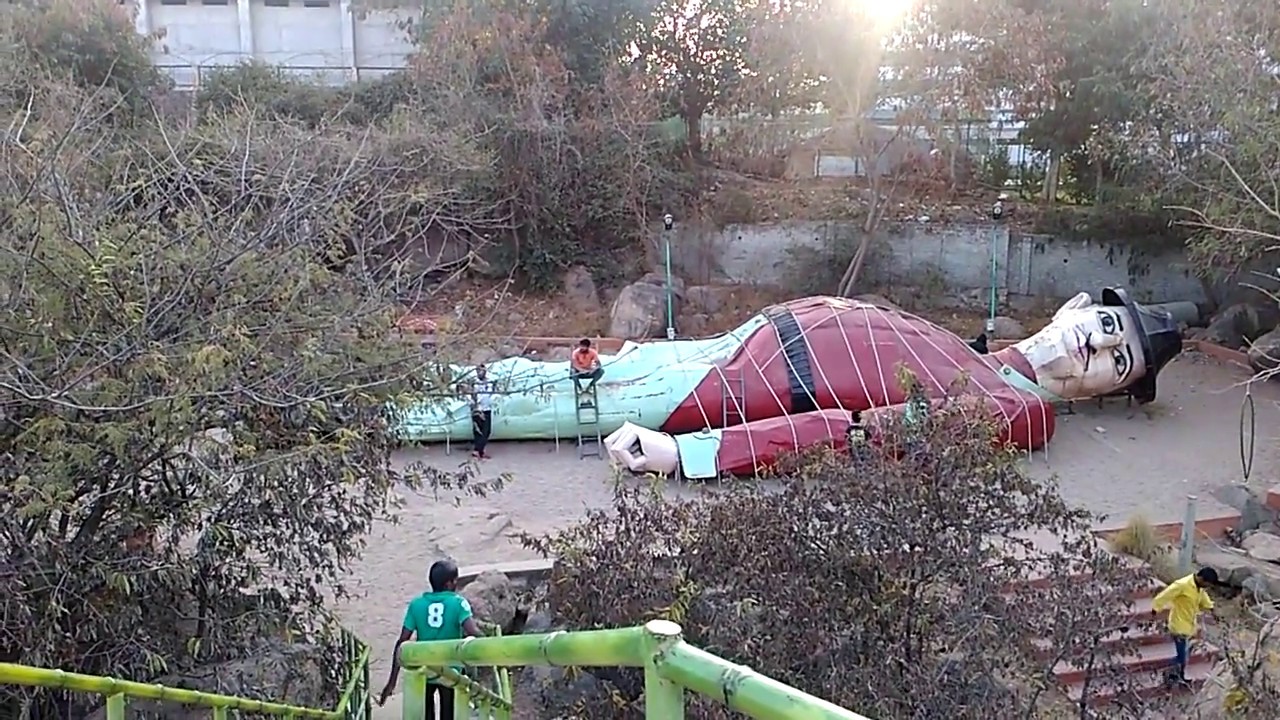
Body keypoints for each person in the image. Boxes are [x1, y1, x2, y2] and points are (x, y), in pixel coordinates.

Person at [377, 560, 483, 717]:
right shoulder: (459, 603)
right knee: (448, 713)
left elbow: (402, 642)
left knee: (427, 714)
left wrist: (392, 682)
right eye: (455, 581)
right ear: (449, 584)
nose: (456, 584)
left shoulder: (416, 604)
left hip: (424, 670)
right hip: (451, 671)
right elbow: (473, 632)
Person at [1151, 566, 1218, 686]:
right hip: (1178, 625)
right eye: (1207, 584)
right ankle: (1168, 672)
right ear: (1201, 578)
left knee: (1184, 654)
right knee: (1182, 656)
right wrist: (1156, 608)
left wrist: (1211, 609)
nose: (1207, 587)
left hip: (1189, 624)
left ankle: (1177, 676)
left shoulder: (1198, 588)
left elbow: (1204, 598)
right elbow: (1166, 594)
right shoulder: (1182, 585)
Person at [470, 365, 493, 459]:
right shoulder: (474, 383)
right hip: (478, 409)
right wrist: (475, 407)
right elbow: (473, 396)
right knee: (478, 431)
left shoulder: (489, 382)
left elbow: (491, 393)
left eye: (483, 371)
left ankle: (480, 451)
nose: (481, 373)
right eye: (479, 371)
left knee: (486, 431)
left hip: (487, 408)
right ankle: (478, 450)